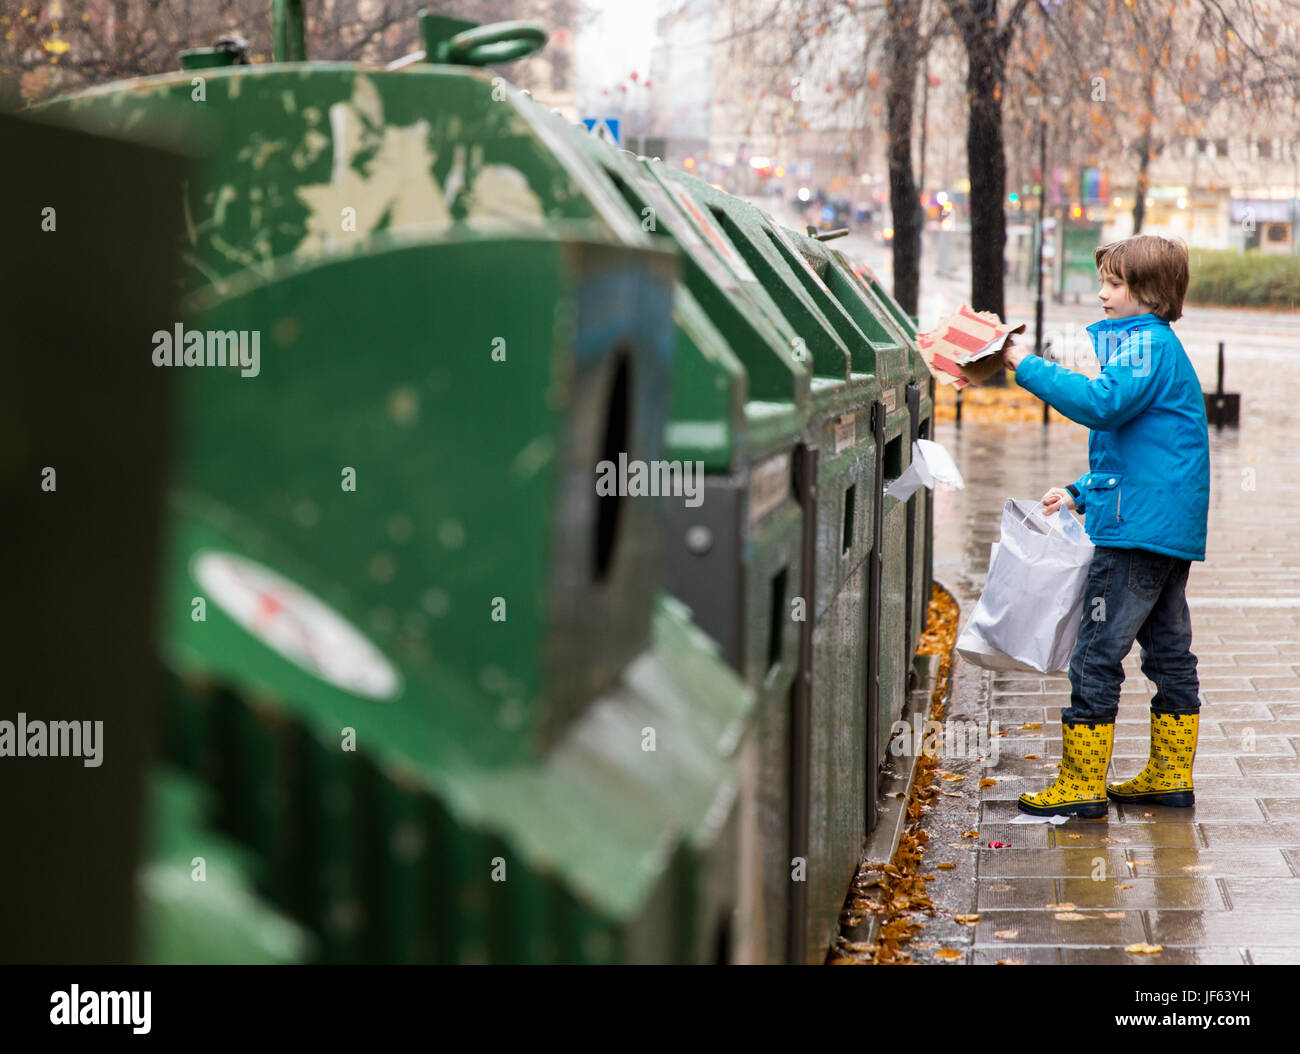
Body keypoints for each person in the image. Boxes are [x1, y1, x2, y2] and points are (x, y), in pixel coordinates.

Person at [997, 235, 1210, 818]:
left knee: (1096, 653)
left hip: (1136, 534)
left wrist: (1022, 361)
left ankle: (1082, 784)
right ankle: (1169, 776)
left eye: (1114, 284)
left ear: (1149, 293)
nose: (1102, 294)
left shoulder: (1145, 345)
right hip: (1163, 527)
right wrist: (1079, 491)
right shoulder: (1155, 346)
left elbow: (1100, 405)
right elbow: (1143, 455)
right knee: (1168, 653)